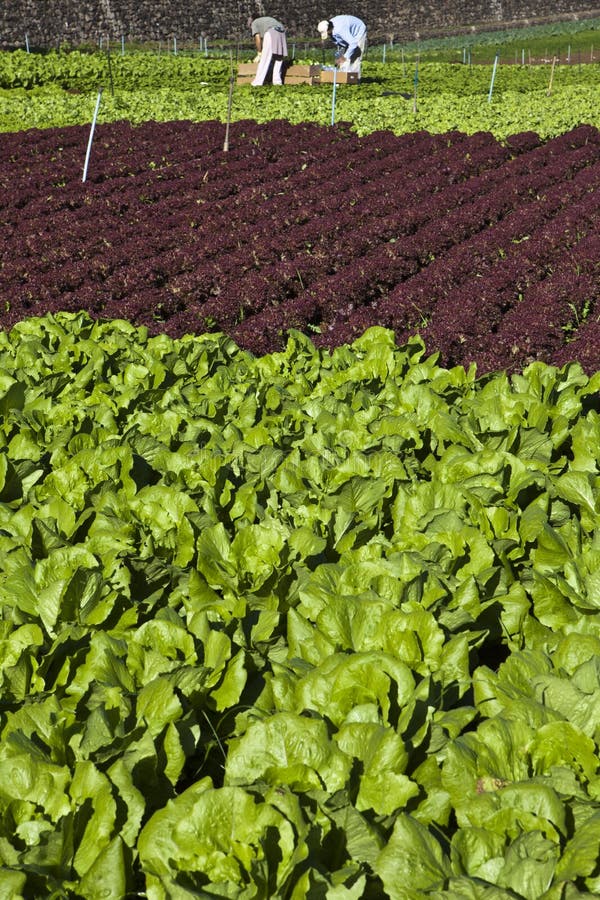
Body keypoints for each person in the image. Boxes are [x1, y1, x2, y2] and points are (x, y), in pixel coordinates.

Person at [248, 16, 287, 86]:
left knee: (264, 59)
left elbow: (257, 39)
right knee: (278, 58)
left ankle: (257, 83)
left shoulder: (254, 23)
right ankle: (277, 82)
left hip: (271, 31)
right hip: (281, 31)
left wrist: (259, 53)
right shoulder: (265, 20)